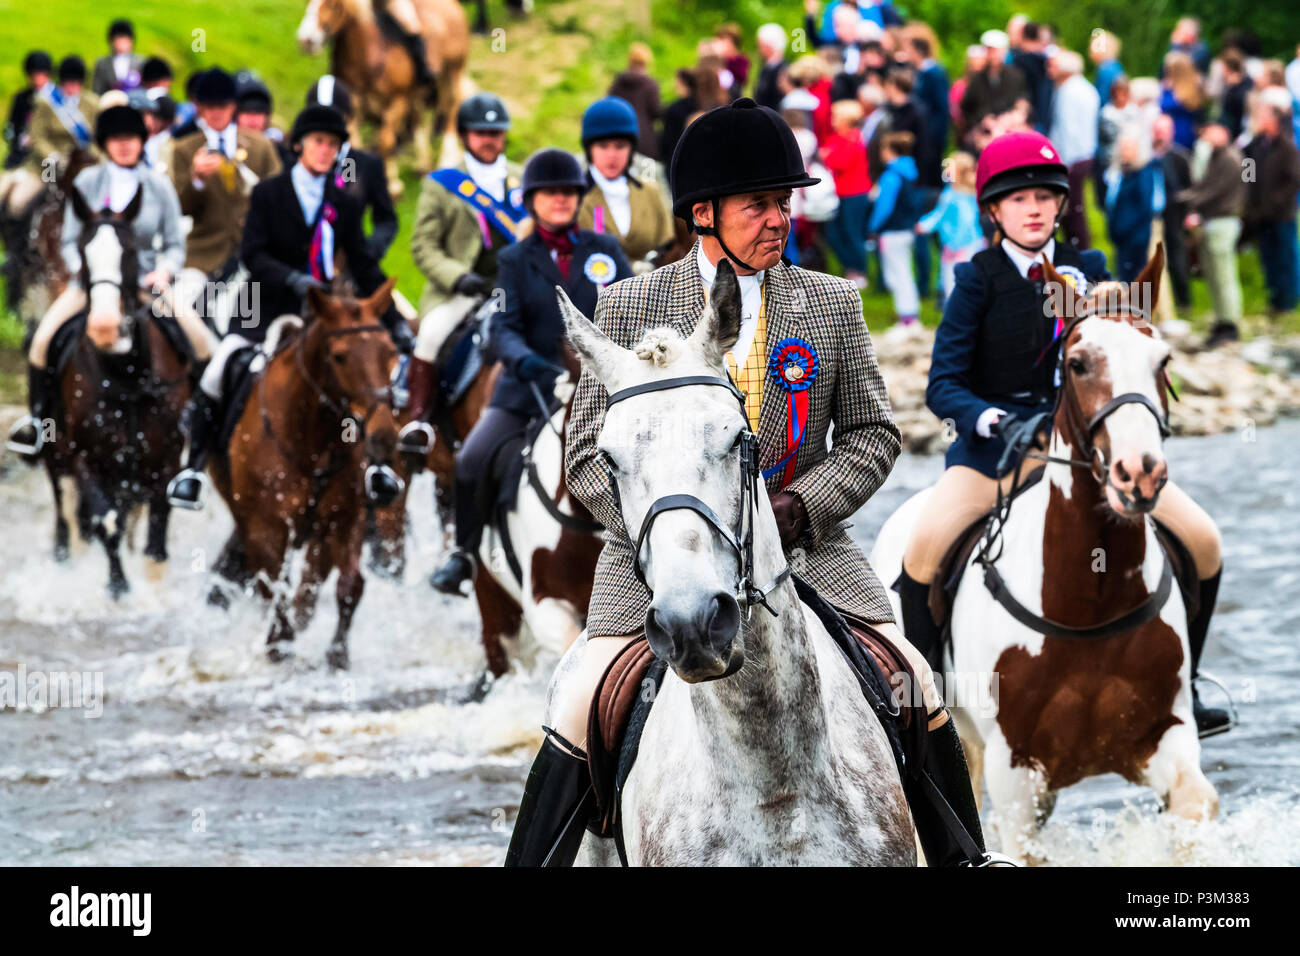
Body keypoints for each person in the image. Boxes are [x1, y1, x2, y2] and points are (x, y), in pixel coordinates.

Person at [505, 96, 992, 868]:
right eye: (759, 204)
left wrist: (801, 507)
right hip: (656, 570)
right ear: (704, 211)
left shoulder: (828, 302)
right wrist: (664, 537)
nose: (779, 219)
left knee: (915, 678)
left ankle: (969, 857)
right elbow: (585, 459)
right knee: (577, 696)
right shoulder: (629, 304)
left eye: (785, 202)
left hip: (810, 558)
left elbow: (872, 435)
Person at [904, 129, 1230, 737]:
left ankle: (1190, 685)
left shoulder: (1097, 273)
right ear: (994, 211)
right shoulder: (977, 281)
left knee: (1204, 540)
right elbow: (942, 385)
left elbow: (1126, 359)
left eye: (1044, 197)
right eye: (1018, 199)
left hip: (1085, 455)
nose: (1034, 209)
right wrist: (1000, 420)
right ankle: (926, 704)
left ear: (1060, 205)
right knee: (922, 551)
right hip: (995, 455)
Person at [167, 105, 413, 509]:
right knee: (220, 367)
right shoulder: (269, 193)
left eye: (333, 145)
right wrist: (294, 279)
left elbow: (365, 267)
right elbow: (253, 253)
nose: (325, 151)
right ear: (300, 144)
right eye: (318, 142)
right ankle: (193, 468)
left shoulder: (344, 203)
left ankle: (375, 467)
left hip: (326, 313)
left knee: (364, 375)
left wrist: (394, 321)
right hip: (267, 304)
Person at [428, 148, 631, 595]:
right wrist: (531, 365)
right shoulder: (514, 260)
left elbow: (633, 313)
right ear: (532, 200)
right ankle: (463, 555)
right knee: (471, 458)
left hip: (601, 387)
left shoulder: (606, 252)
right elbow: (503, 325)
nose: (561, 200)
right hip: (529, 386)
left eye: (569, 192)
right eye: (550, 193)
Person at [6, 105, 215, 456]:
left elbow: (176, 245)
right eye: (116, 139)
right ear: (105, 143)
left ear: (140, 142)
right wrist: (85, 272)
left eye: (130, 139)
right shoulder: (87, 183)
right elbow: (69, 240)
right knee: (42, 341)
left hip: (145, 284)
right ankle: (39, 423)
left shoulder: (159, 186)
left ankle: (201, 427)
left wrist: (164, 271)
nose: (123, 145)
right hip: (93, 283)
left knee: (202, 341)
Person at [404, 92, 524, 453]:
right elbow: (423, 245)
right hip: (463, 290)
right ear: (465, 135)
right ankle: (419, 421)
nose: (489, 139)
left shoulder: (522, 178)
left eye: (496, 132)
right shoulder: (442, 183)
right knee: (431, 334)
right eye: (480, 132)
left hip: (516, 287)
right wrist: (457, 277)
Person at [169, 67, 281, 296]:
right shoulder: (184, 149)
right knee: (179, 310)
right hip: (204, 254)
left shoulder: (261, 146)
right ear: (200, 109)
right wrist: (196, 179)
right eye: (210, 107)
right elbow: (180, 207)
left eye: (223, 106)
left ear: (233, 106)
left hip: (256, 254)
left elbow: (280, 197)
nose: (217, 113)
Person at [305, 76, 397, 264]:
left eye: (334, 116)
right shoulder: (291, 160)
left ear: (347, 118)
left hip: (348, 266)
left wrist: (368, 251)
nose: (326, 124)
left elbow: (386, 220)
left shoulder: (364, 165)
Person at [577, 96, 674, 268]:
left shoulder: (650, 190)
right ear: (589, 149)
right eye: (603, 146)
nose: (612, 155)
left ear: (631, 149)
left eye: (620, 146)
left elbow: (668, 245)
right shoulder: (575, 196)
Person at [1179, 122, 1246, 346]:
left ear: (1223, 133)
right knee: (1214, 275)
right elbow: (1204, 184)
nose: (1204, 137)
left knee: (1224, 275)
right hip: (1213, 221)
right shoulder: (1216, 156)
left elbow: (1214, 190)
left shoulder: (1230, 158)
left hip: (1222, 221)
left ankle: (1230, 323)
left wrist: (1188, 200)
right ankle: (1221, 320)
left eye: (1208, 132)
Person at [1243, 87, 1300, 316]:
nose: (1260, 119)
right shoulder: (1256, 145)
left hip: (1281, 212)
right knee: (1268, 257)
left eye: (1264, 115)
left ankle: (1289, 300)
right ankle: (1275, 297)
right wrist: (1249, 197)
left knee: (1286, 255)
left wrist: (1276, 201)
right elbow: (1247, 172)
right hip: (1260, 213)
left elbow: (1294, 179)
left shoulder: (1287, 147)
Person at [867, 130, 924, 327]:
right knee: (904, 271)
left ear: (891, 151)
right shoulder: (910, 172)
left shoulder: (890, 176)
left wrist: (873, 226)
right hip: (906, 229)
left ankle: (907, 318)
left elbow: (885, 207)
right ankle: (909, 315)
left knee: (898, 274)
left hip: (892, 231)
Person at [915, 150, 983, 302]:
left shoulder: (955, 195)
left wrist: (955, 244)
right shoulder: (964, 192)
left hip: (960, 246)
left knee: (954, 283)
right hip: (966, 243)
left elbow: (960, 219)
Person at [1047, 49, 1099, 250]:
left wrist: (1062, 162)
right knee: (1072, 209)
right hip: (1082, 154)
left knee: (1072, 211)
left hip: (1072, 158)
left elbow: (1068, 130)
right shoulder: (1082, 87)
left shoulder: (1069, 91)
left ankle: (1079, 252)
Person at [819, 99, 871, 288]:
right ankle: (850, 266)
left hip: (854, 193)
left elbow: (840, 161)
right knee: (833, 234)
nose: (833, 120)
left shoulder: (854, 138)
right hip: (839, 193)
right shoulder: (837, 138)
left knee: (852, 232)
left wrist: (827, 156)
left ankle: (860, 270)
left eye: (837, 117)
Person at [606, 44, 662, 163]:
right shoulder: (650, 84)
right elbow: (655, 111)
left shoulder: (618, 83)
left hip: (620, 136)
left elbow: (609, 107)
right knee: (646, 179)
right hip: (644, 139)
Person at [3, 51, 53, 172]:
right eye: (33, 75)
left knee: (50, 182)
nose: (36, 80)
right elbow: (11, 126)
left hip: (47, 156)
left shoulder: (56, 99)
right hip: (21, 153)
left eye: (40, 75)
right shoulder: (21, 97)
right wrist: (16, 141)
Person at [234, 73, 293, 170]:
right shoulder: (223, 147)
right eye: (246, 112)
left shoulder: (280, 150)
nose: (252, 119)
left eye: (258, 112)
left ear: (267, 117)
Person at [91, 19, 142, 96]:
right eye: (119, 39)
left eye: (125, 39)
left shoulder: (140, 62)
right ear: (112, 41)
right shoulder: (102, 63)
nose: (122, 43)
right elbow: (97, 90)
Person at [752, 23, 789, 111]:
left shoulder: (783, 70)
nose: (759, 49)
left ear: (768, 46)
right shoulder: (767, 67)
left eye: (760, 45)